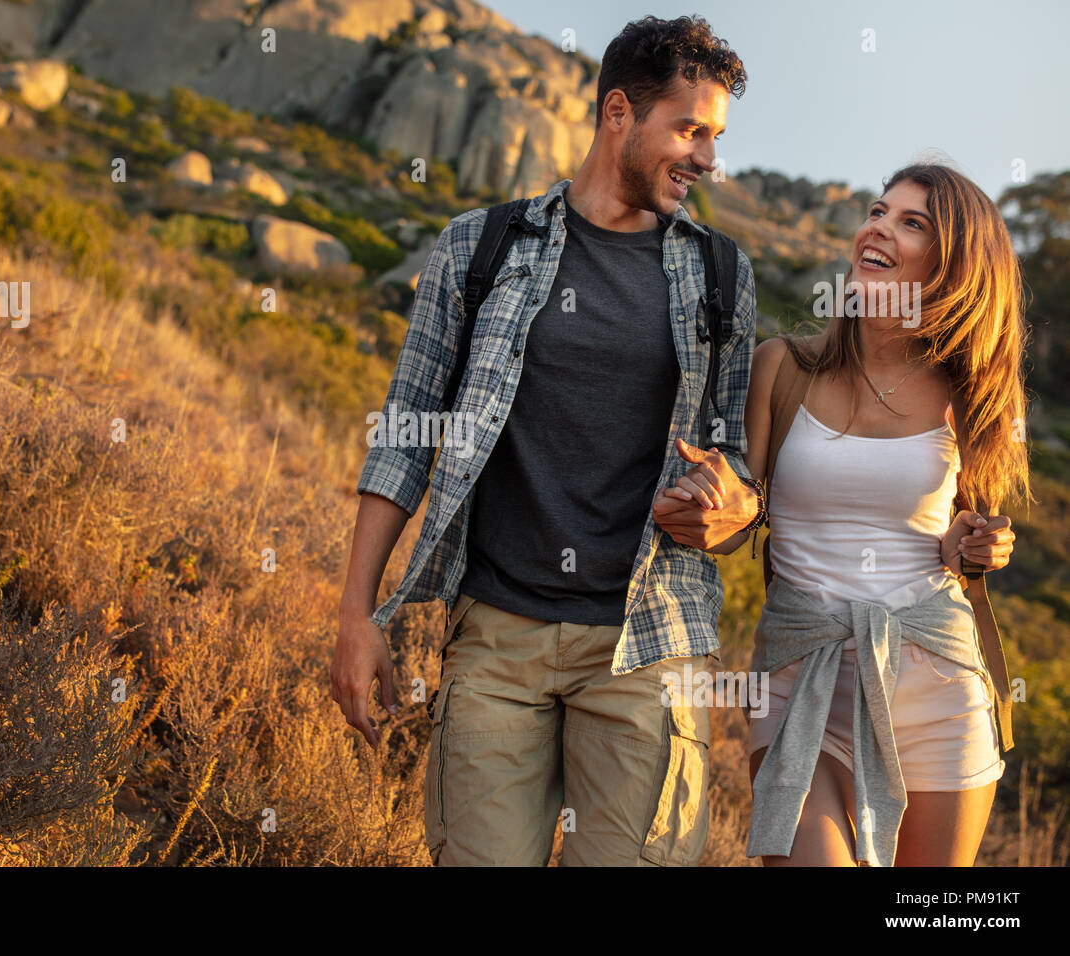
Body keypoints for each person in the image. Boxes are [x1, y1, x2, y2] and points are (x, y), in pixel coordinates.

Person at [332, 15, 762, 866]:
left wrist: (734, 509)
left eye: (715, 137)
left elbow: (736, 465)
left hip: (649, 646)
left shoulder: (721, 275)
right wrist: (356, 613)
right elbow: (404, 436)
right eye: (688, 129)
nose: (707, 159)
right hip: (495, 639)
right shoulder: (480, 247)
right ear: (617, 114)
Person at [669, 162, 1030, 866]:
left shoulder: (968, 393)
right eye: (877, 211)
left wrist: (977, 544)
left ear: (953, 263)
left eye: (910, 222)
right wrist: (717, 505)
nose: (878, 227)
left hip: (939, 684)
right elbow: (745, 511)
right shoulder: (783, 368)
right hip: (803, 672)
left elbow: (965, 525)